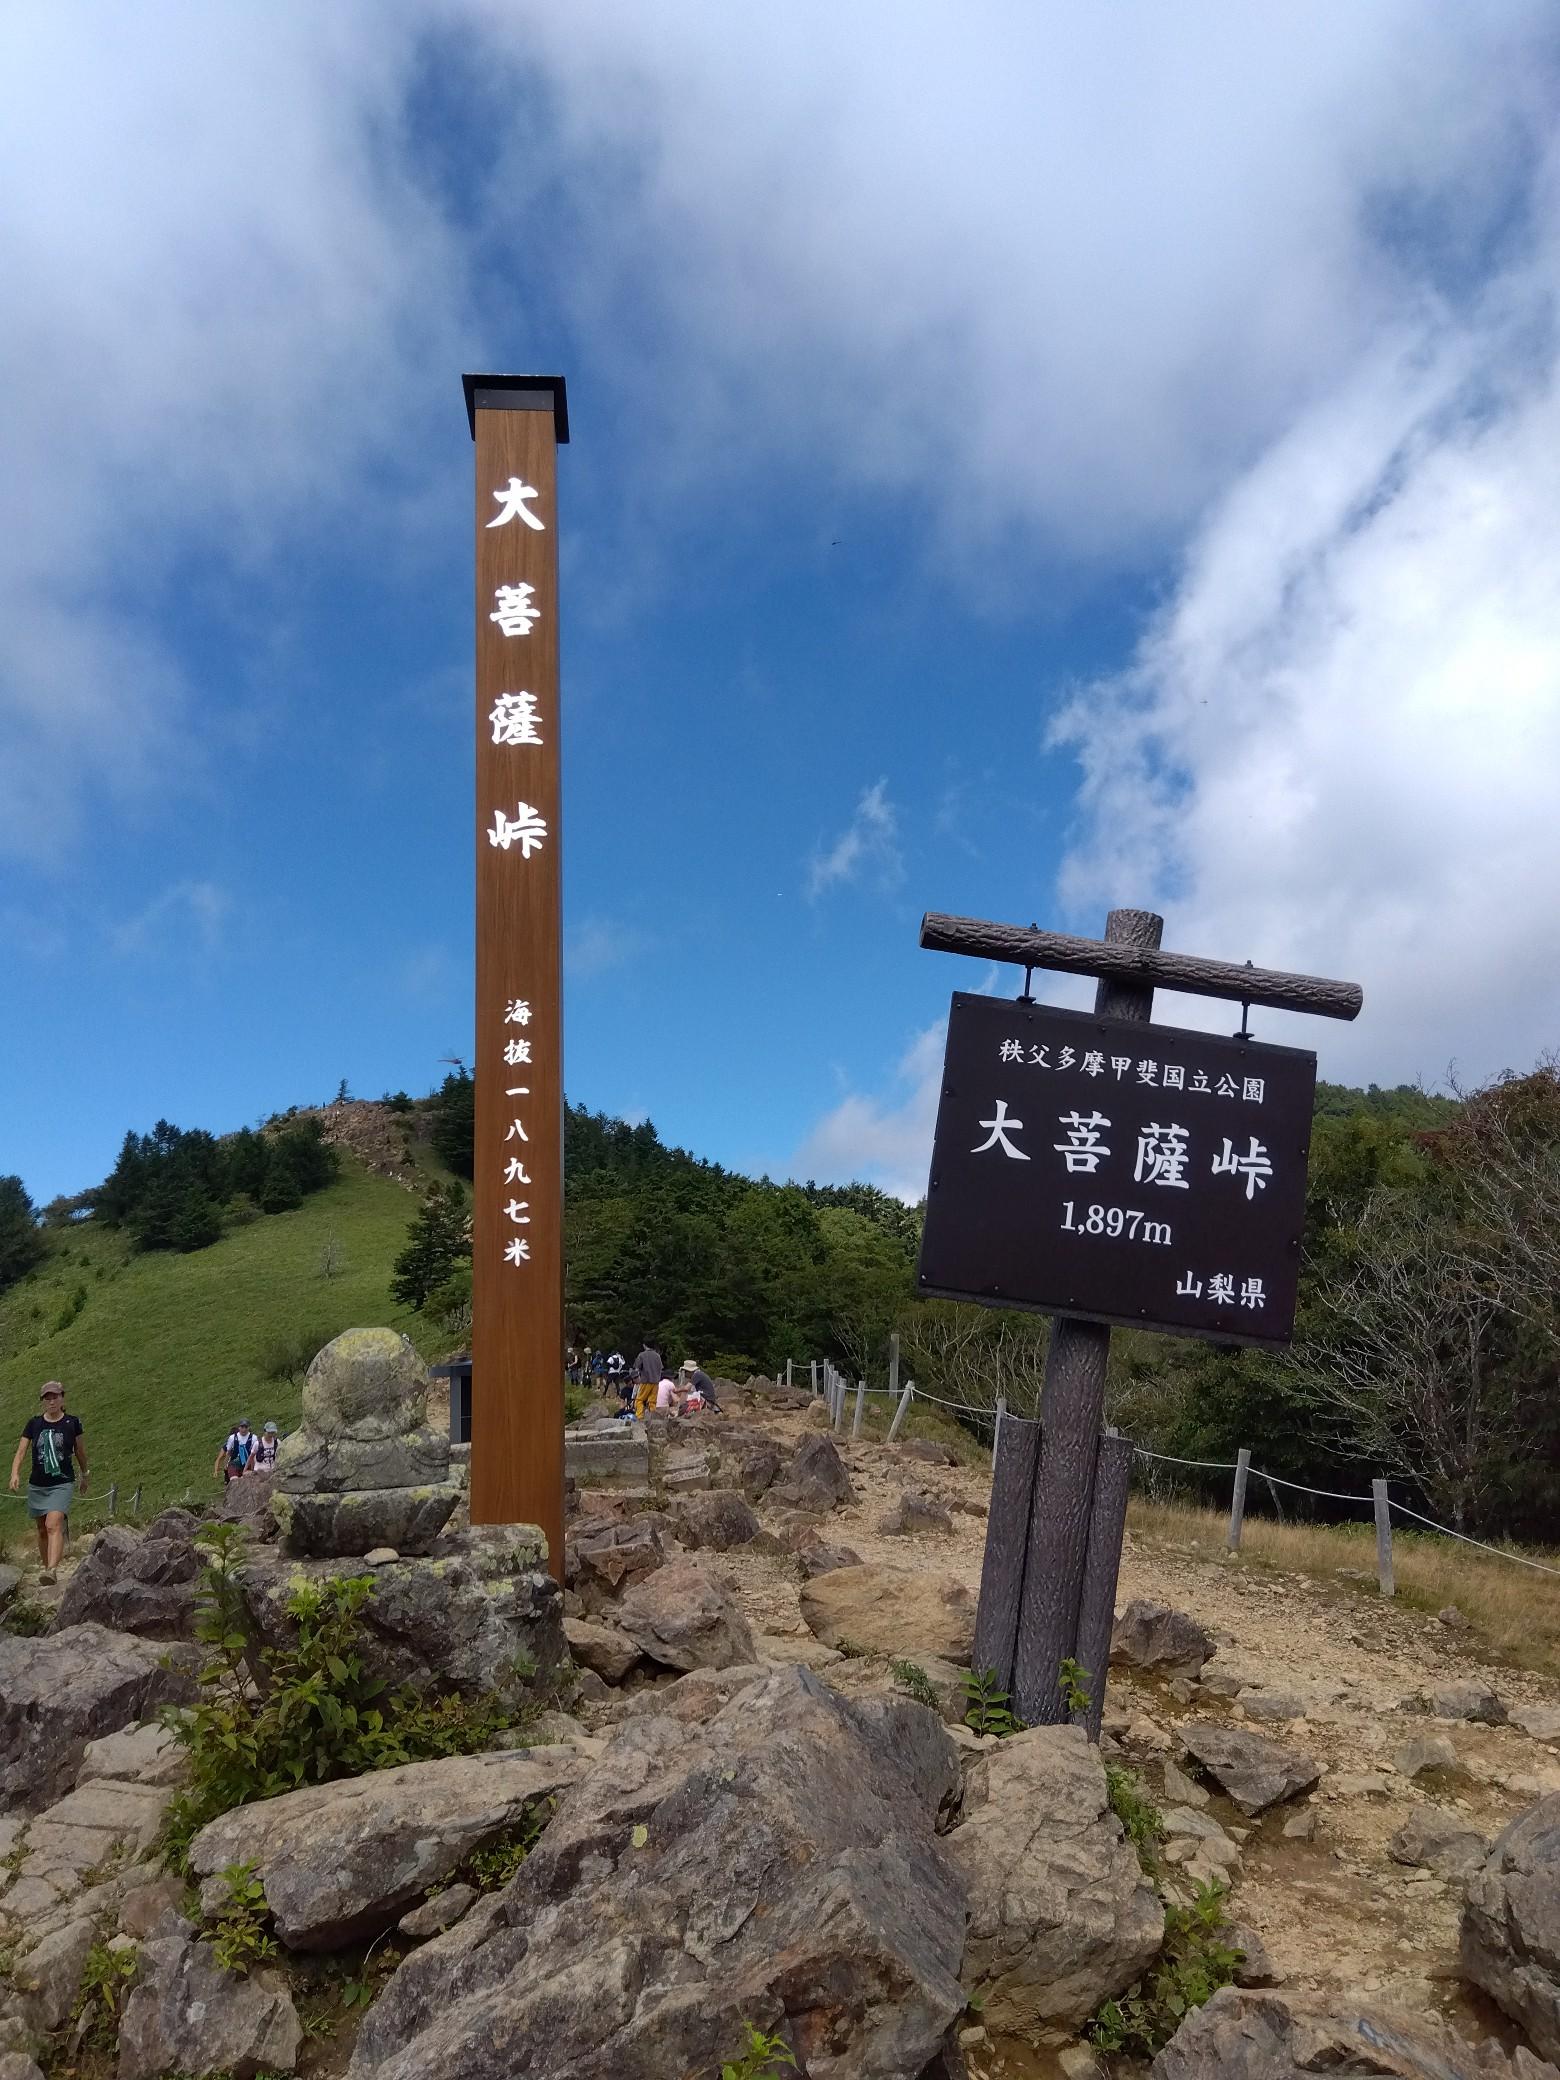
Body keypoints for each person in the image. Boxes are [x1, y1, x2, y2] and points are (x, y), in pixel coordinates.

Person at [9, 1381, 87, 1584]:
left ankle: (52, 1570)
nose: (51, 1401)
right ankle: (46, 1569)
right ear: (42, 1401)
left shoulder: (72, 1423)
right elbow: (21, 1451)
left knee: (54, 1524)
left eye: (55, 1396)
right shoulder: (34, 1424)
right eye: (47, 1398)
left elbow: (79, 1451)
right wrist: (14, 1473)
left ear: (62, 1398)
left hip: (62, 1482)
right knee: (42, 1529)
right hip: (38, 1483)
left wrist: (84, 1474)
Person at [215, 1419, 258, 1485]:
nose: (244, 1429)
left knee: (248, 1482)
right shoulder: (232, 1438)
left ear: (248, 1427)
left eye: (246, 1427)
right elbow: (228, 1453)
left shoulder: (253, 1438)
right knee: (234, 1483)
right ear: (239, 1427)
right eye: (242, 1427)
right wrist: (225, 1468)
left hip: (248, 1464)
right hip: (234, 1464)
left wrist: (254, 1468)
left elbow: (254, 1455)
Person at [632, 1339, 662, 1421]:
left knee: (639, 1400)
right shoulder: (657, 1356)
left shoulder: (642, 1355)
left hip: (646, 1381)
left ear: (645, 1345)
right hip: (656, 1382)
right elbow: (660, 1368)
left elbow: (637, 1367)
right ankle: (653, 1417)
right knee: (652, 1401)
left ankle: (639, 1417)